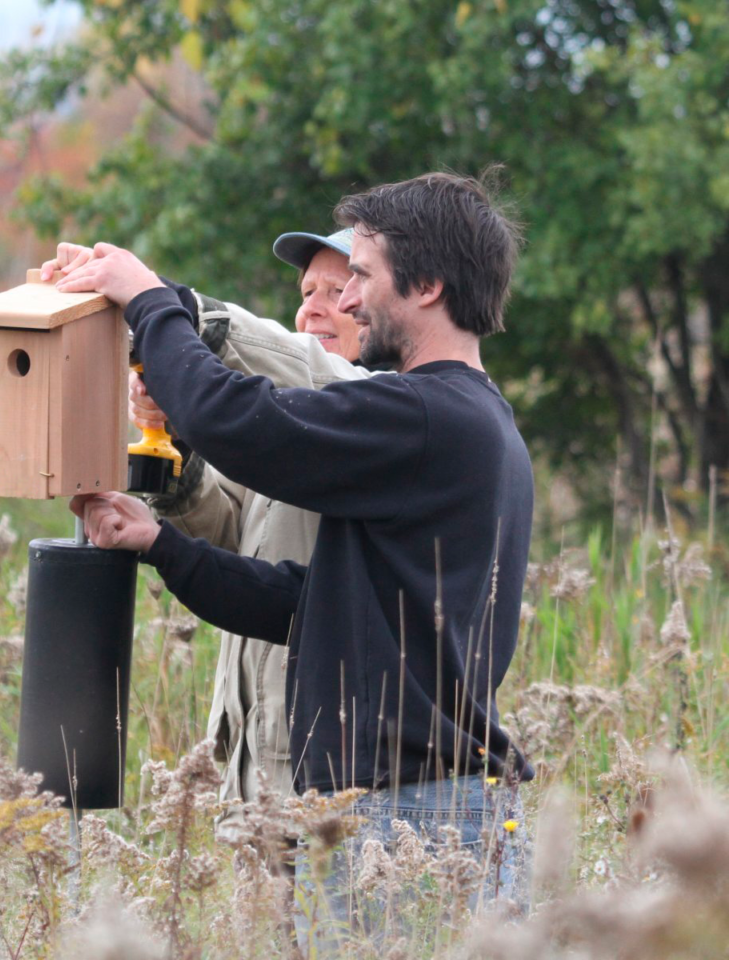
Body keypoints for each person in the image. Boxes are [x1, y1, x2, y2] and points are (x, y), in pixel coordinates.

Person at [60, 171, 534, 942]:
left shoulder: (422, 416)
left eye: (364, 279)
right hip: (408, 809)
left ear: (429, 286)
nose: (346, 301)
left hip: (401, 819)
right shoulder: (460, 421)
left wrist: (150, 301)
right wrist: (160, 545)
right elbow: (304, 605)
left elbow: (239, 422)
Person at [45, 230, 369, 838]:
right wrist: (175, 450)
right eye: (306, 292)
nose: (314, 308)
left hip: (327, 781)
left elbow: (307, 370)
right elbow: (230, 539)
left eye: (339, 289)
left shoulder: (382, 415)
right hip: (255, 772)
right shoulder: (290, 424)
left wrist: (162, 304)